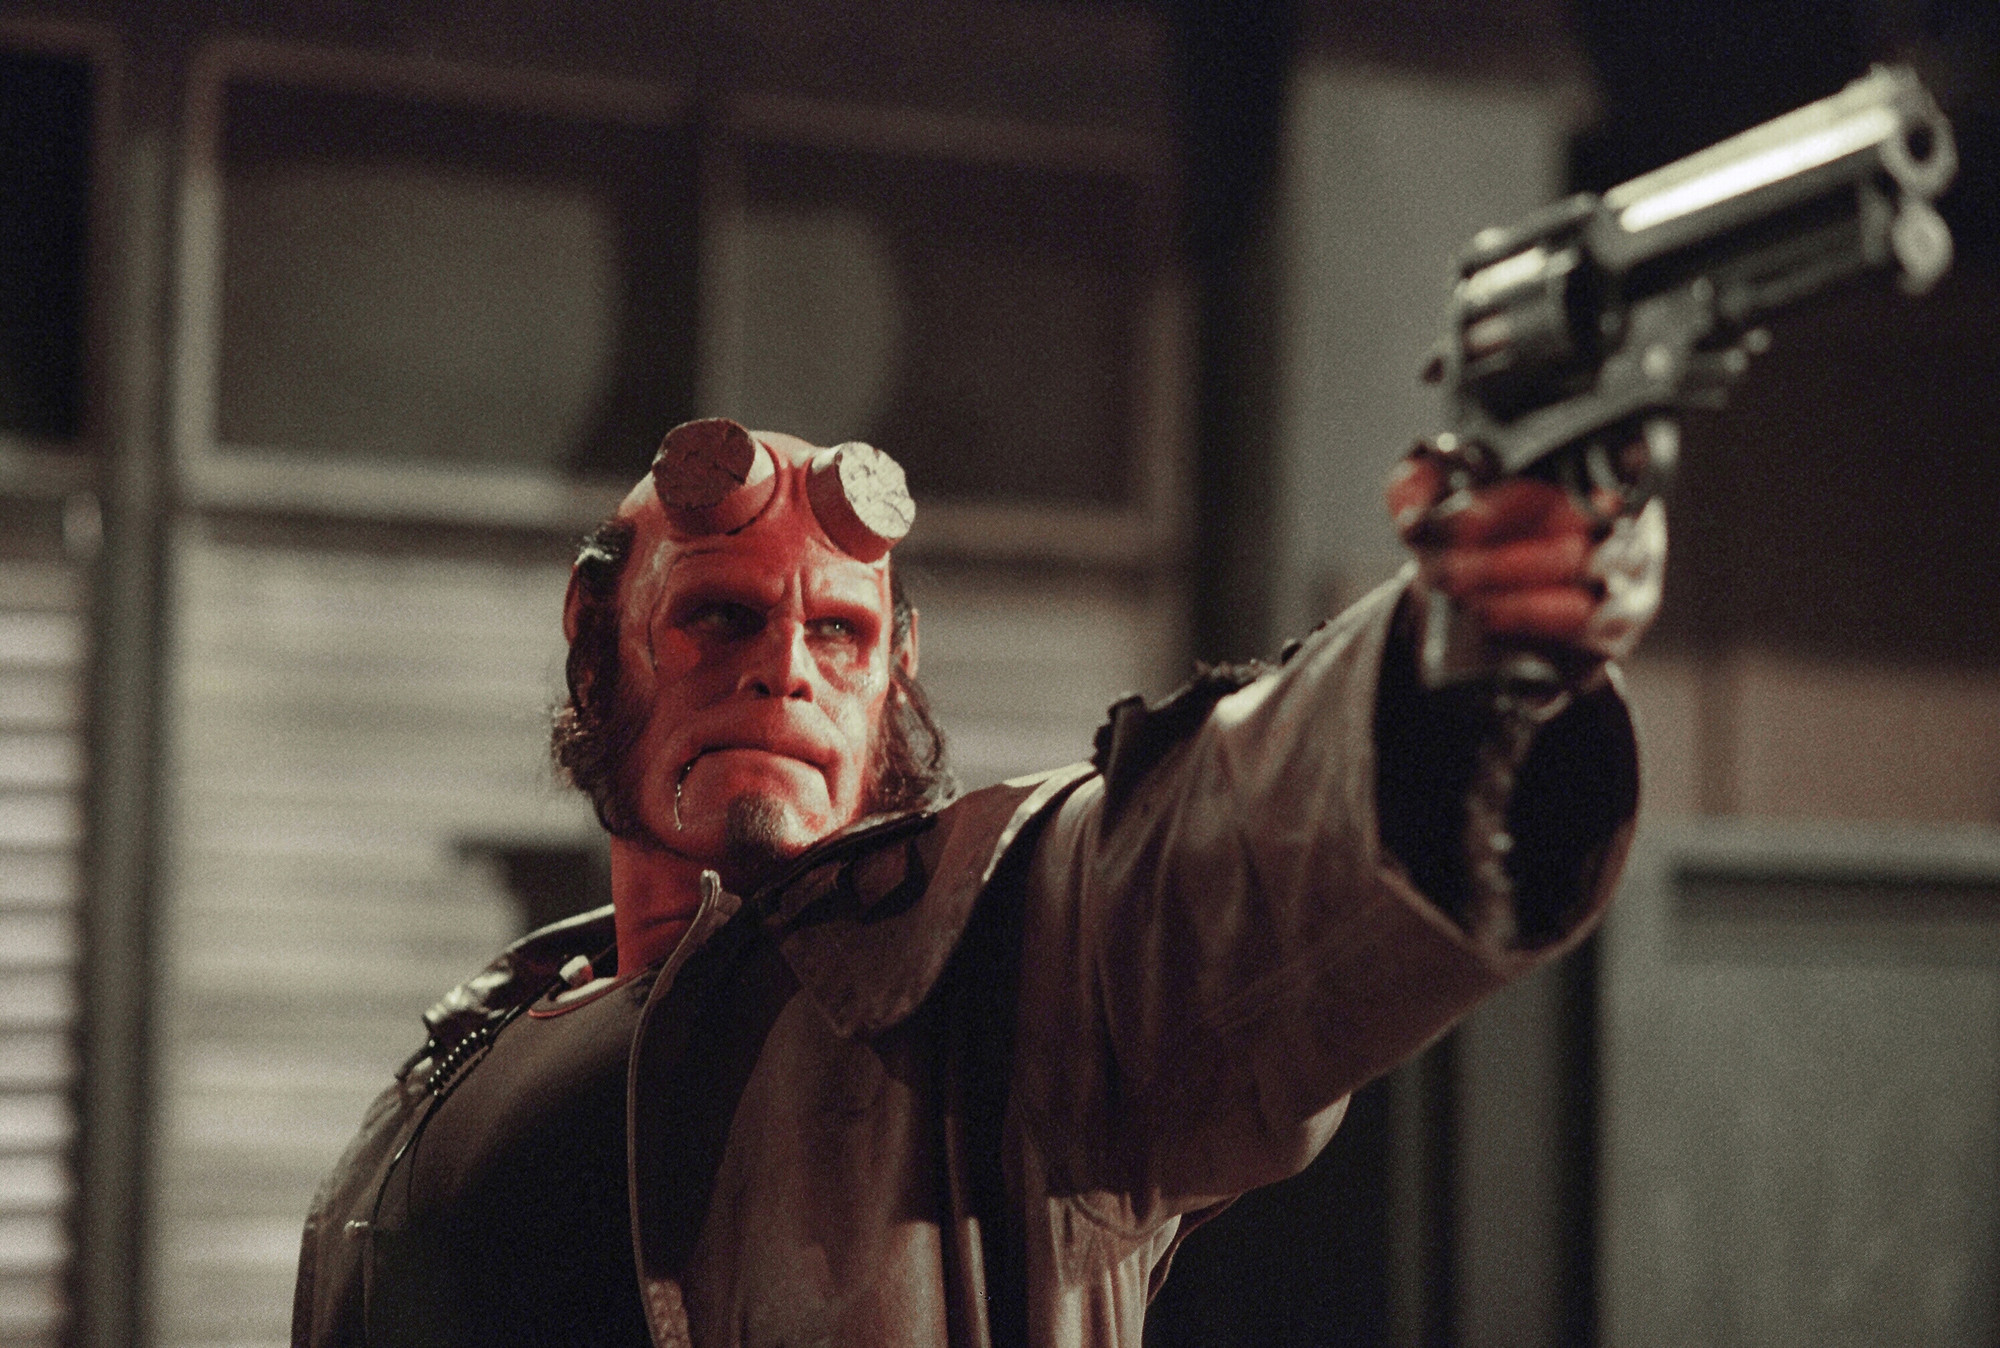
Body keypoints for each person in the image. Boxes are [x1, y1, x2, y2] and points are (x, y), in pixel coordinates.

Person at [291, 417, 1662, 1348]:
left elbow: (1208, 869)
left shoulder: (982, 987)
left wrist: (1459, 675)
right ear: (598, 648)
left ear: (893, 681)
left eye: (840, 633)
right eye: (720, 616)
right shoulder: (468, 1053)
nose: (786, 669)